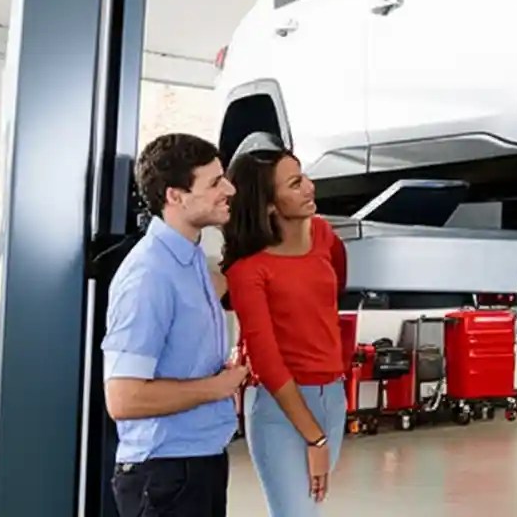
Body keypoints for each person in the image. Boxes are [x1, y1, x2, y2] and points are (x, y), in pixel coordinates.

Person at [102, 133, 249, 517]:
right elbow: (124, 399)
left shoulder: (189, 260)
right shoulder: (148, 276)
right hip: (165, 474)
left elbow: (218, 290)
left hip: (200, 462)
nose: (229, 190)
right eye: (215, 182)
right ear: (175, 196)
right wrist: (217, 387)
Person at [221, 147, 348, 516]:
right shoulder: (248, 271)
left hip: (333, 397)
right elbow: (267, 363)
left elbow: (333, 294)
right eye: (294, 184)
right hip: (279, 405)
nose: (309, 187)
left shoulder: (324, 235)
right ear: (268, 205)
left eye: (303, 176)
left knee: (309, 510)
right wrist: (315, 438)